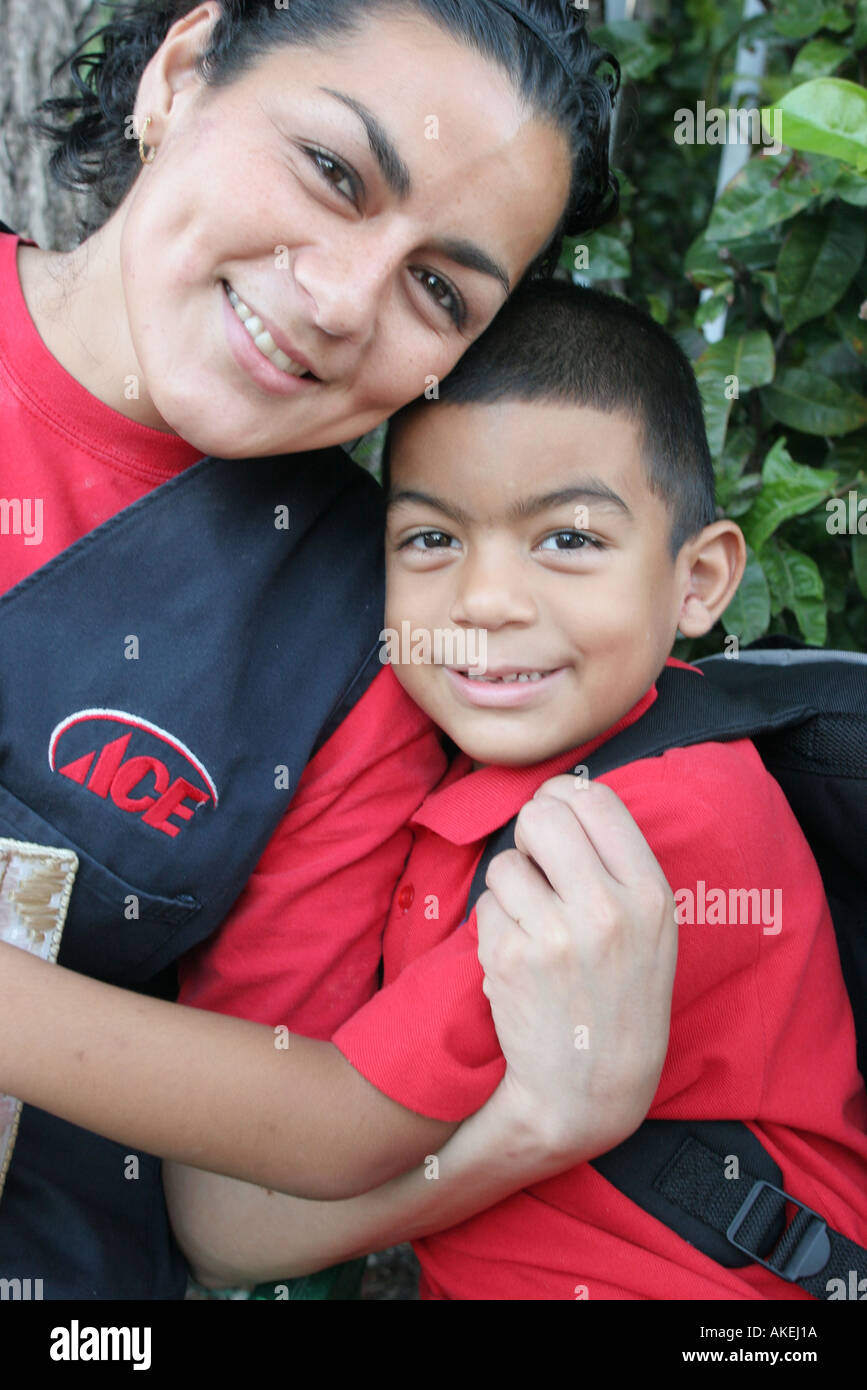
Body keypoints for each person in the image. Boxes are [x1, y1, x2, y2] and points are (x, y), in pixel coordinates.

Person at [0, 1, 677, 1299]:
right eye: (330, 171)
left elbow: (243, 1187)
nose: (337, 299)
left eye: (438, 287)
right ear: (182, 74)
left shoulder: (360, 645)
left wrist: (537, 1121)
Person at [165, 283, 867, 1299]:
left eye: (570, 538)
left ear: (700, 581)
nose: (487, 601)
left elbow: (253, 1211)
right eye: (432, 539)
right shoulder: (454, 759)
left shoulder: (650, 818)